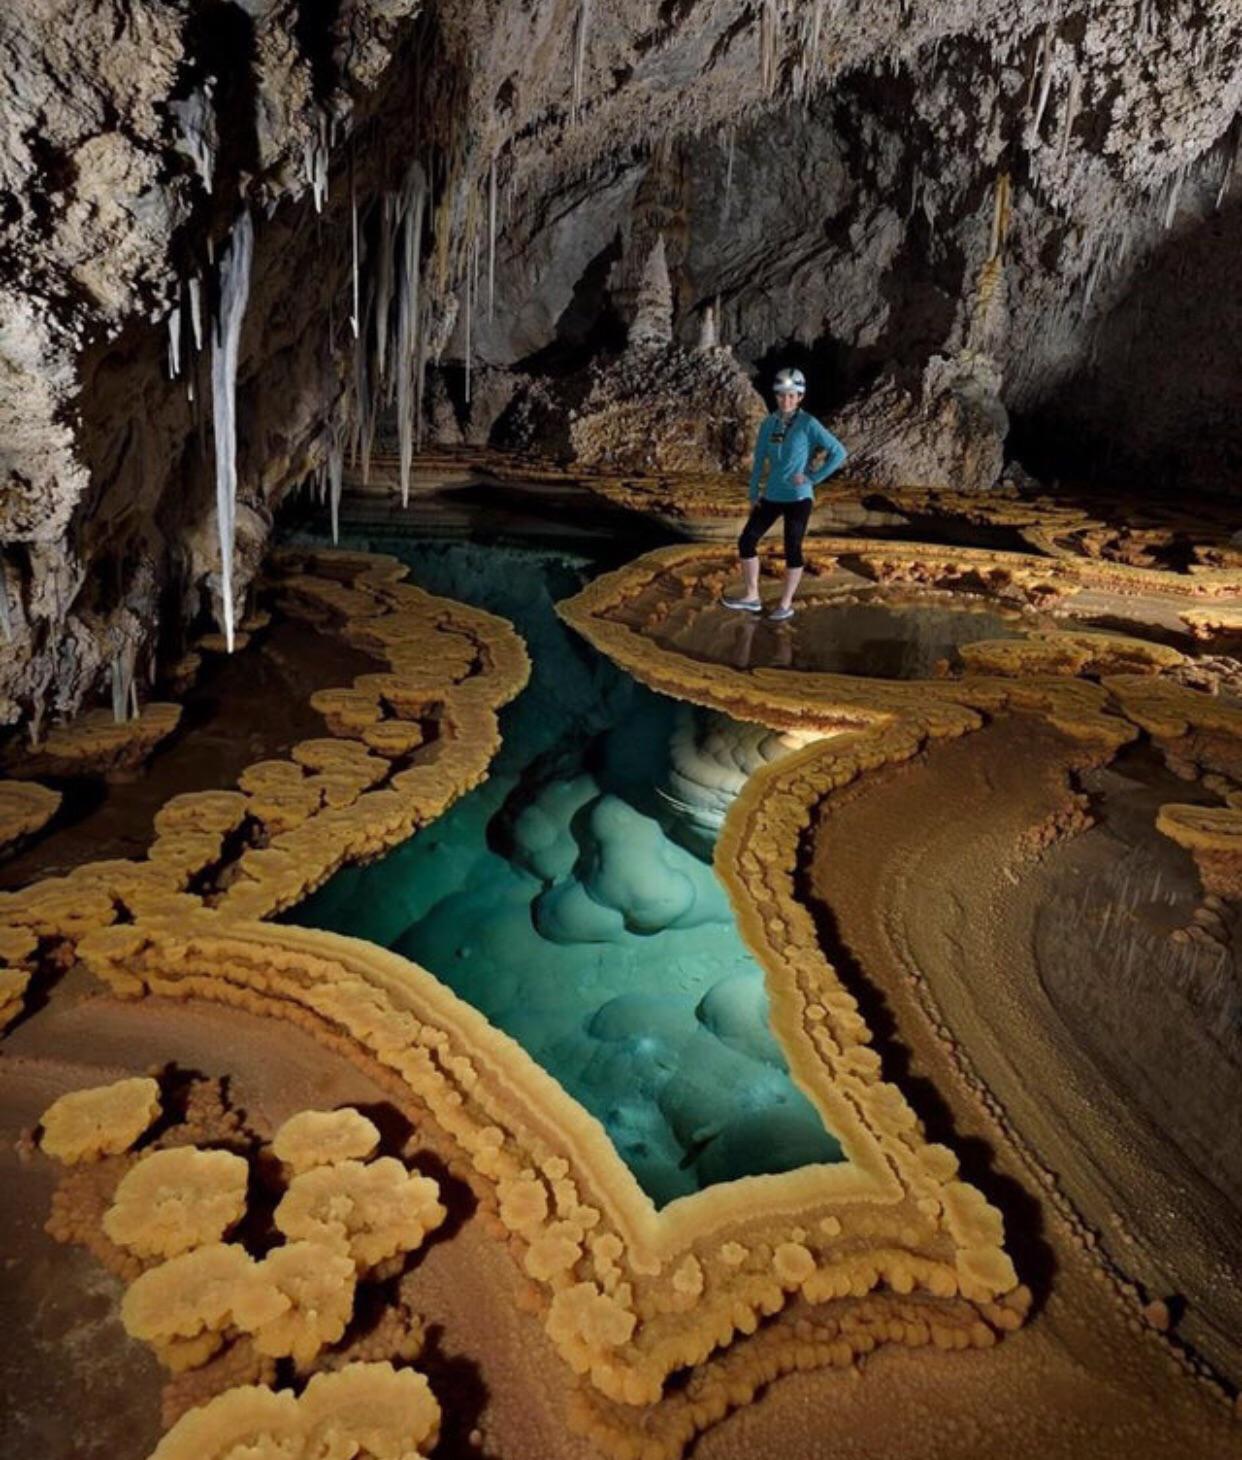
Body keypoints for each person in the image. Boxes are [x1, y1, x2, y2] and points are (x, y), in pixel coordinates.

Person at [722, 366, 848, 621]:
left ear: (800, 396)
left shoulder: (808, 423)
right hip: (772, 494)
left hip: (799, 497)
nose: (786, 400)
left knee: (792, 547)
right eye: (781, 395)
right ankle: (752, 596)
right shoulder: (769, 423)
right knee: (747, 541)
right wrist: (753, 492)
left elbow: (838, 452)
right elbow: (759, 460)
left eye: (791, 395)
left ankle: (785, 603)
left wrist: (813, 478)